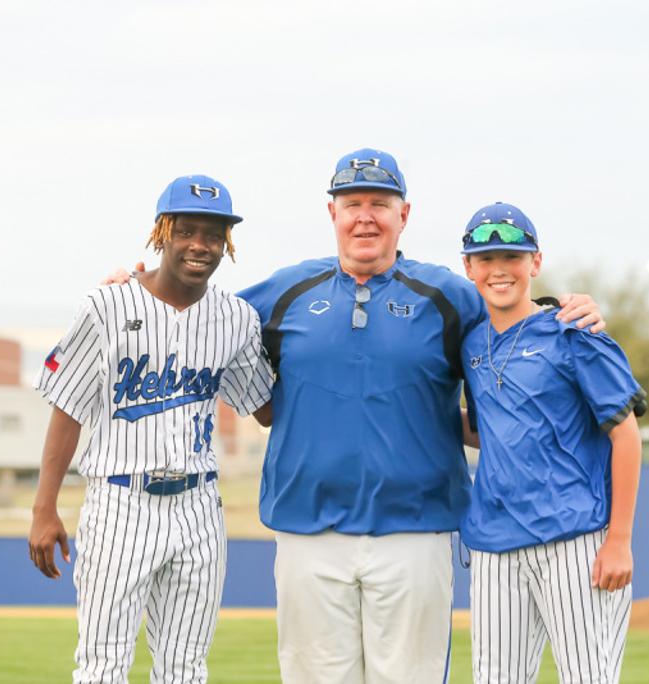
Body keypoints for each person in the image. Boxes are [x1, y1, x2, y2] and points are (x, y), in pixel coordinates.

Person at [106, 149, 606, 683]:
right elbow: (195, 317)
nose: (365, 215)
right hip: (307, 532)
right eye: (352, 203)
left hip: (417, 532)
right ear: (333, 214)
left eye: (379, 203)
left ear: (403, 215)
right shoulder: (286, 292)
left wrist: (566, 308)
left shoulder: (449, 296)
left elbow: (518, 316)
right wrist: (137, 287)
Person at [28, 175, 274, 684]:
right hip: (121, 502)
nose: (199, 245)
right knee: (102, 666)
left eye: (212, 234)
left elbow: (266, 409)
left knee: (185, 668)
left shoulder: (236, 319)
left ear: (227, 242)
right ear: (161, 232)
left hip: (199, 505)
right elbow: (67, 406)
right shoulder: (107, 305)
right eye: (186, 230)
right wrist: (44, 507)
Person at [458, 202, 645, 684]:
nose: (499, 270)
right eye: (486, 259)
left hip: (575, 537)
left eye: (512, 257)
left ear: (535, 262)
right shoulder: (471, 344)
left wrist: (619, 540)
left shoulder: (574, 331)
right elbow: (487, 432)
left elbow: (625, 433)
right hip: (495, 545)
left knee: (588, 677)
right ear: (468, 267)